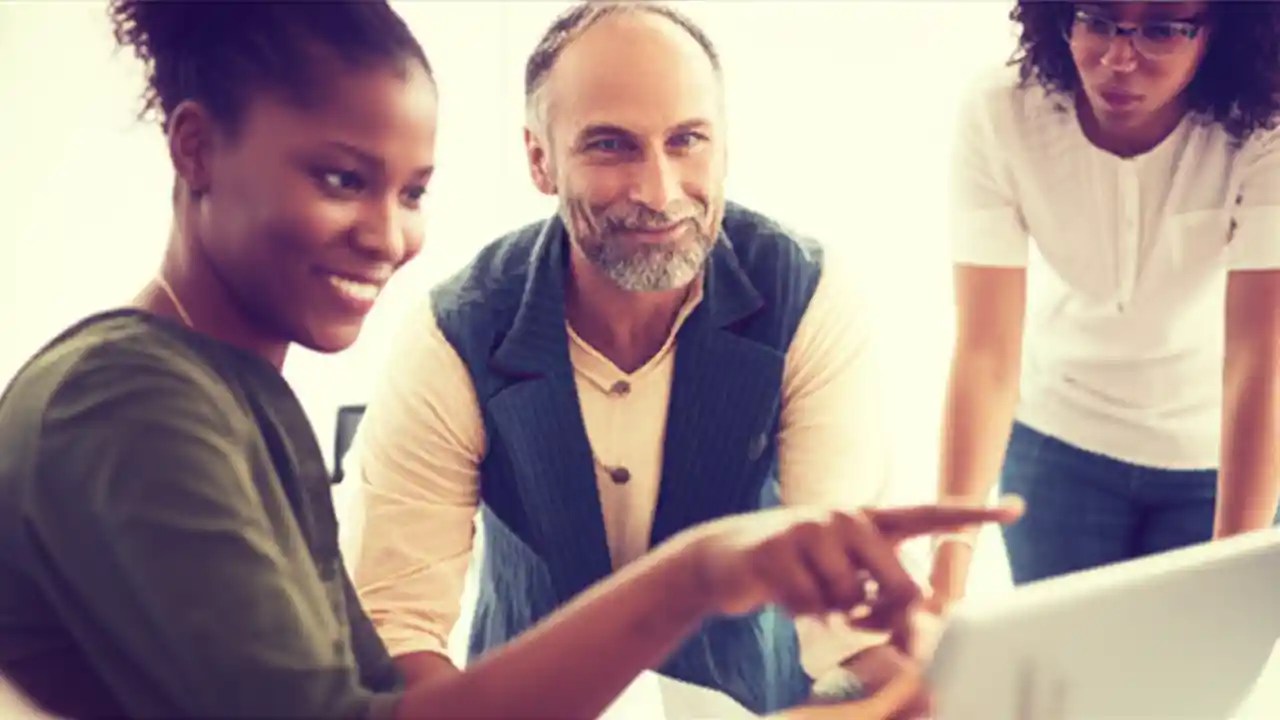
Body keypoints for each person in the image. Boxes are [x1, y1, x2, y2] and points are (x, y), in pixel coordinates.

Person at [0, 1, 1022, 719]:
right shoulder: (130, 403)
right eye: (340, 177)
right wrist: (695, 575)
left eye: (410, 191)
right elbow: (389, 658)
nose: (388, 235)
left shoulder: (234, 397)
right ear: (194, 152)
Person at [345, 1, 933, 714]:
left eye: (687, 140)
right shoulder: (453, 334)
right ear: (539, 157)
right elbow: (394, 634)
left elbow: (853, 637)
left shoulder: (809, 299)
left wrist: (867, 692)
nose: (658, 192)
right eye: (610, 146)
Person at [931, 0, 1280, 608]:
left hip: (1214, 458)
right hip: (1059, 445)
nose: (1119, 58)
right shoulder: (1001, 114)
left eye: (1163, 29)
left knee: (1185, 692)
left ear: (1219, 29)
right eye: (1095, 18)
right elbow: (986, 355)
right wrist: (946, 570)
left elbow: (1260, 362)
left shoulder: (1264, 131)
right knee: (1068, 684)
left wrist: (1232, 577)